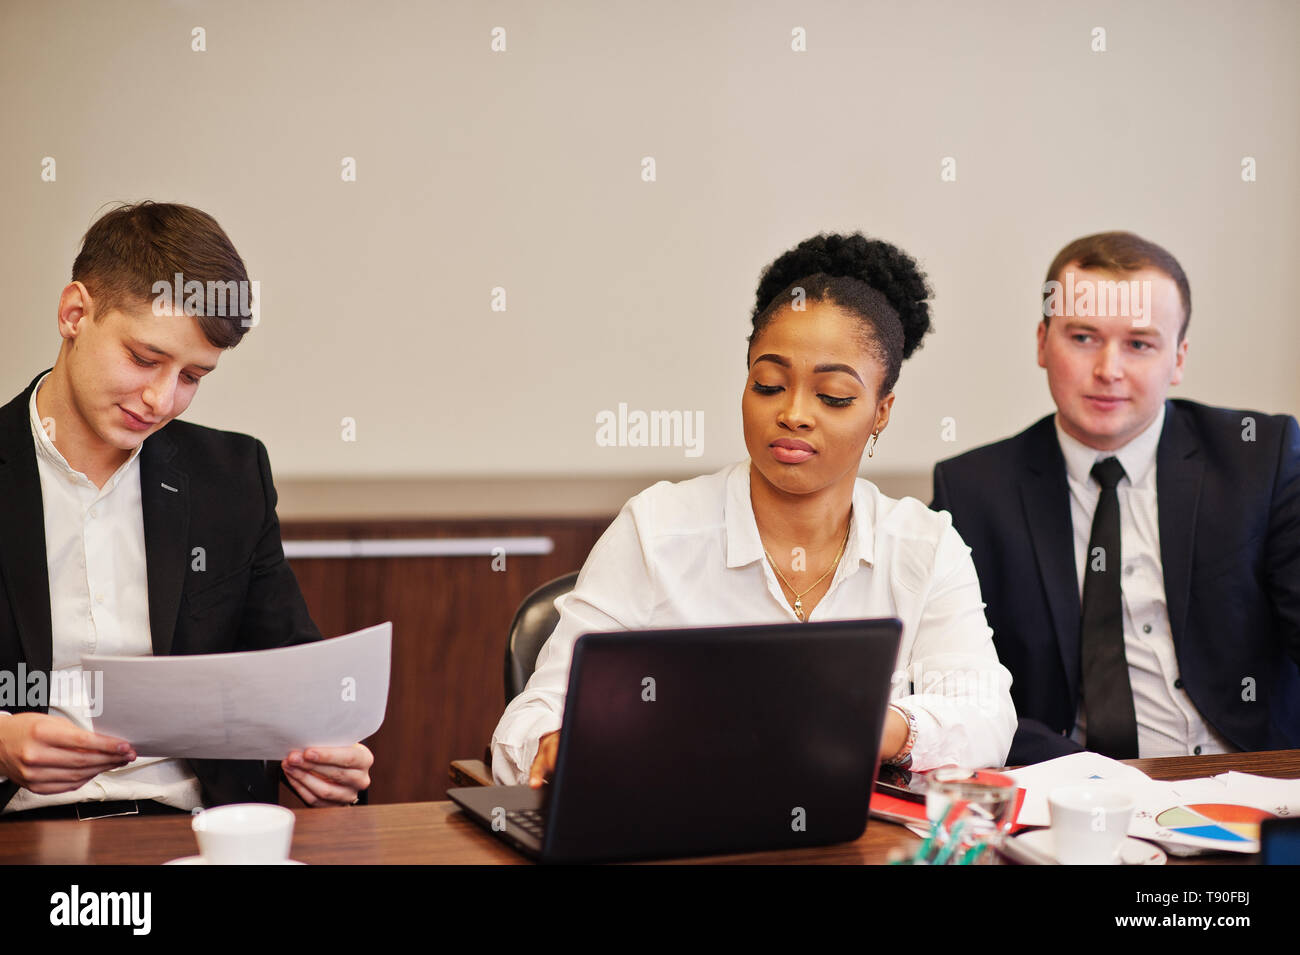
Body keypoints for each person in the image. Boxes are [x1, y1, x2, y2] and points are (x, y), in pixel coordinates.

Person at [492, 232, 1016, 786]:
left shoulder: (925, 546)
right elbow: (530, 718)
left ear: (881, 411)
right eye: (768, 385)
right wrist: (550, 746)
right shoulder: (657, 529)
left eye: (833, 396)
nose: (793, 414)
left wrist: (879, 727)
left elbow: (986, 717)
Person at [0, 201, 373, 818]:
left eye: (192, 376)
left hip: (195, 827)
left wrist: (326, 751)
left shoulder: (231, 476)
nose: (161, 399)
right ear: (74, 313)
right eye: (144, 359)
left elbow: (291, 673)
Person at [932, 231, 1300, 765]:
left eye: (1139, 343)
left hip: (1250, 778)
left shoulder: (1261, 460)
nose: (1108, 369)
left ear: (1178, 358)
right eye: (1083, 337)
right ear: (1041, 342)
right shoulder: (973, 491)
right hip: (1072, 797)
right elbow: (969, 695)